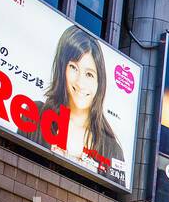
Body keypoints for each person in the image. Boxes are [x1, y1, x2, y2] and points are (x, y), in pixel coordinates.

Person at [29, 25, 126, 184]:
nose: (81, 82)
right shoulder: (36, 114)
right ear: (62, 69)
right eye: (73, 67)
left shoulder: (111, 148)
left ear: (99, 82)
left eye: (89, 74)